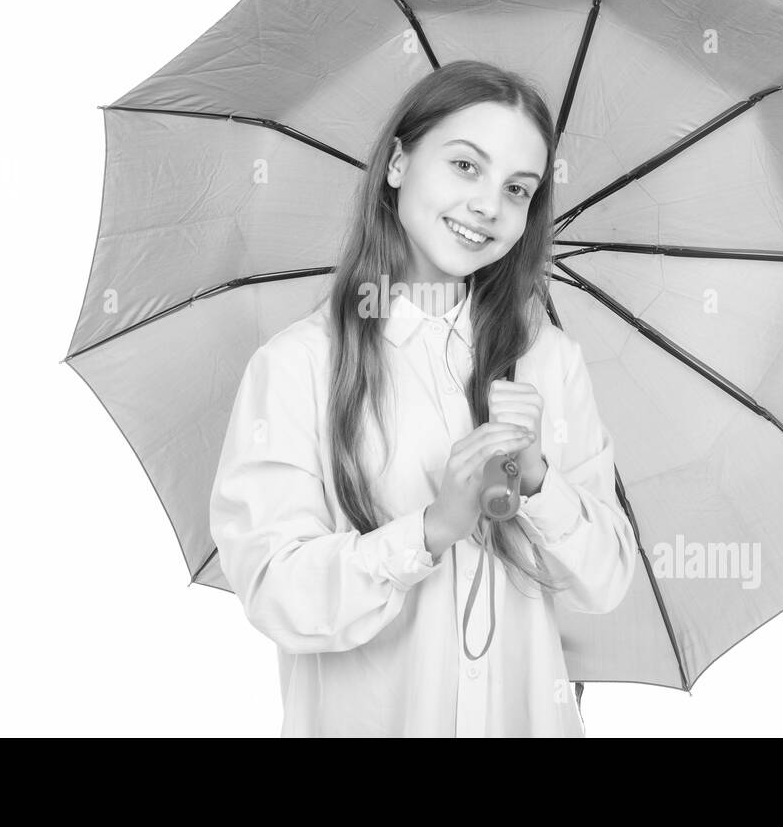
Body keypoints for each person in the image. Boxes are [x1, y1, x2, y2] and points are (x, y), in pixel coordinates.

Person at [208, 59, 636, 737]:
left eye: (518, 189)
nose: (489, 206)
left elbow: (607, 579)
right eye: (466, 166)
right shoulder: (299, 367)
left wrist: (539, 479)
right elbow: (276, 590)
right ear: (399, 163)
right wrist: (431, 530)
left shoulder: (550, 360)